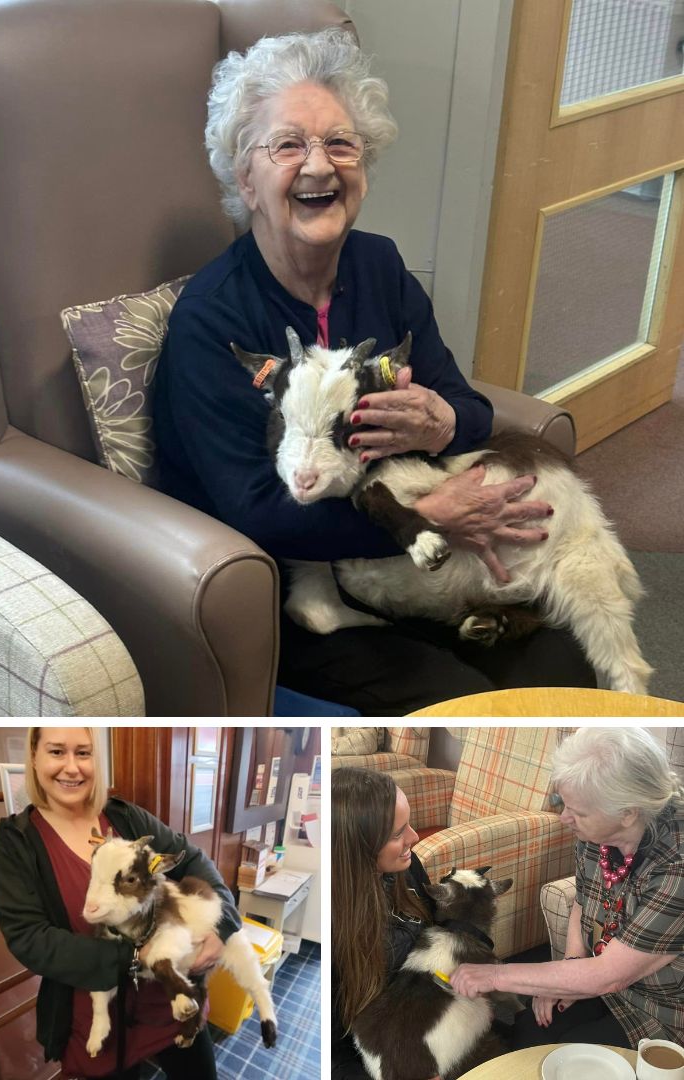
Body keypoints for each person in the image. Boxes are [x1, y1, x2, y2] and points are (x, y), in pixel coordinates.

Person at [151, 29, 597, 714]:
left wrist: (445, 420)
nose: (319, 166)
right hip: (293, 588)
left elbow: (463, 406)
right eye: (288, 144)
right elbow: (254, 511)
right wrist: (428, 518)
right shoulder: (212, 321)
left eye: (340, 143)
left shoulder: (381, 267)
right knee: (459, 701)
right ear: (245, 176)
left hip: (417, 567)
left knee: (564, 666)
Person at [0, 727, 241, 1080]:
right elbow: (29, 939)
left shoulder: (126, 818)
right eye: (57, 751)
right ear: (34, 755)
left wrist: (224, 922)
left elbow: (194, 858)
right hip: (98, 1015)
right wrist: (136, 958)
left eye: (84, 752)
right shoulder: (18, 842)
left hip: (171, 1000)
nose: (72, 767)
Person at [451, 727, 684, 1050]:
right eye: (563, 803)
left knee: (567, 1057)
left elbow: (609, 975)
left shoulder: (676, 866)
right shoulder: (598, 831)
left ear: (628, 812)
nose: (564, 818)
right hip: (607, 984)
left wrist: (493, 976)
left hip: (662, 1013)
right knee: (528, 1033)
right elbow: (583, 901)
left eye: (578, 811)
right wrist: (570, 966)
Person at [331, 767, 440, 1080]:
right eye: (397, 834)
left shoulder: (408, 865)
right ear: (358, 847)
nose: (415, 838)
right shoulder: (338, 926)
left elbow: (437, 929)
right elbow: (339, 1054)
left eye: (408, 824)